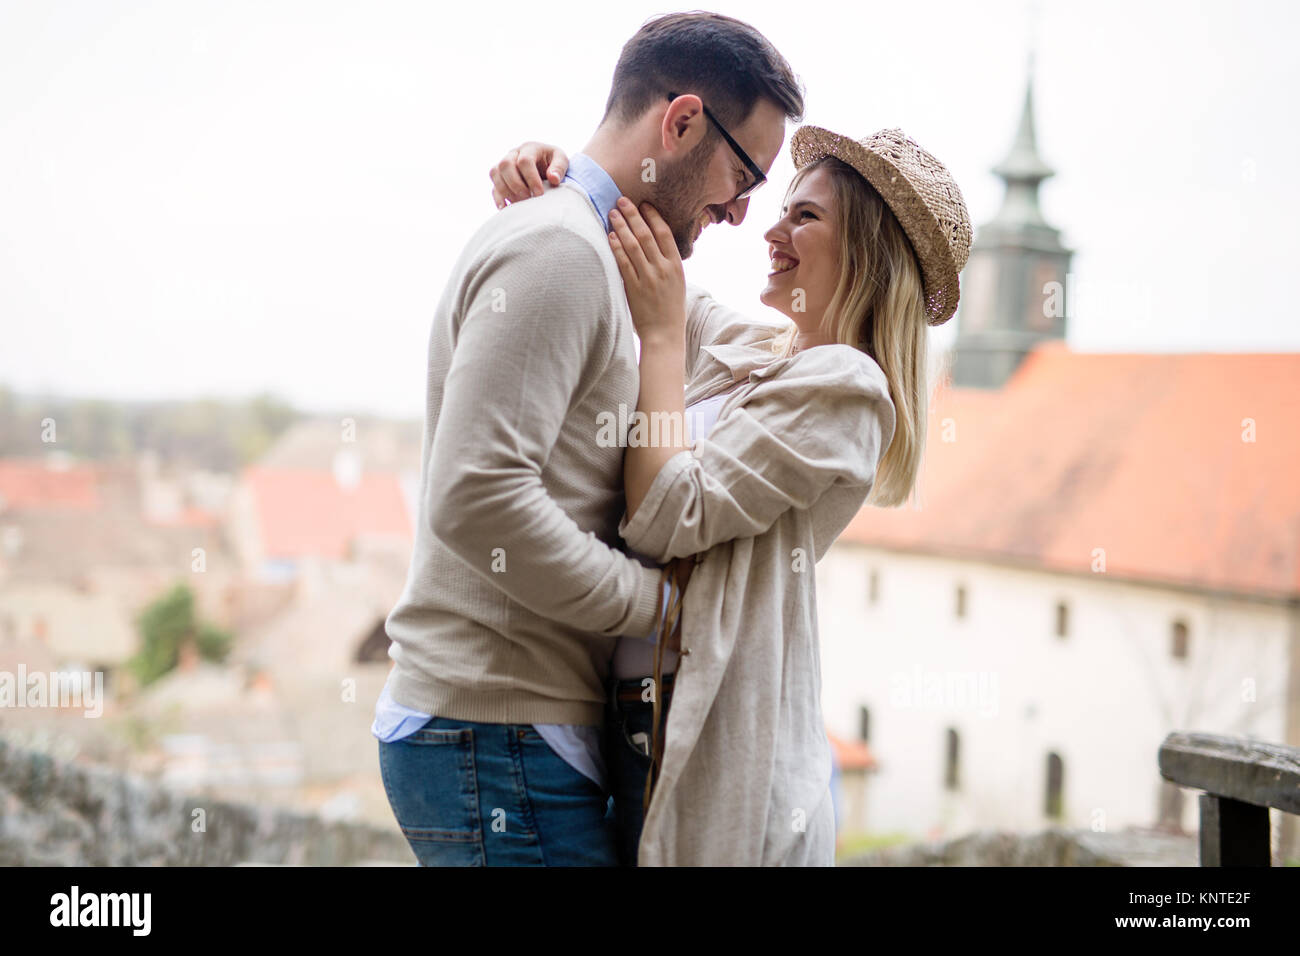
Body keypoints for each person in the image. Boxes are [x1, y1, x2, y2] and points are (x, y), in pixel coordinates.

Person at [373, 11, 804, 866]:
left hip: (510, 730)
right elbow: (478, 499)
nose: (743, 210)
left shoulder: (594, 250)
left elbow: (746, 345)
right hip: (493, 730)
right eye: (744, 170)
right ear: (680, 122)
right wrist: (658, 609)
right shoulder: (559, 251)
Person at [491, 122, 971, 864]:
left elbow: (664, 517)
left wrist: (658, 340)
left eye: (804, 216)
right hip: (635, 724)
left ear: (868, 254)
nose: (771, 231)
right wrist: (558, 175)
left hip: (711, 747)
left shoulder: (848, 389)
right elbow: (633, 252)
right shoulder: (754, 351)